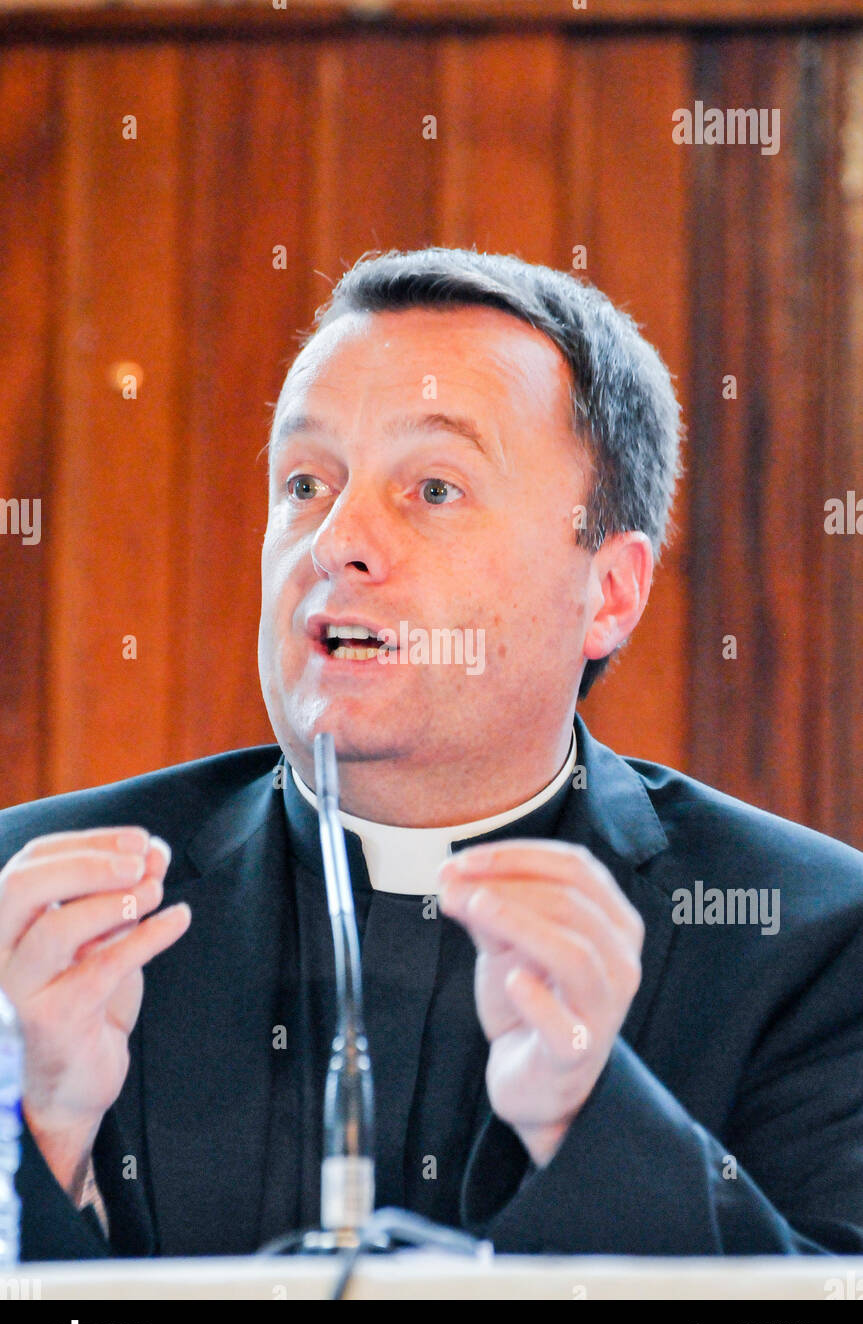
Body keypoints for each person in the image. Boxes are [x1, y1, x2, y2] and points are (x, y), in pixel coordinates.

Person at [3, 247, 863, 1261]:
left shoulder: (809, 938)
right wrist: (40, 1133)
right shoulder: (31, 912)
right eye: (305, 482)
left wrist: (591, 1122)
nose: (337, 540)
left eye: (435, 488)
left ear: (608, 591)